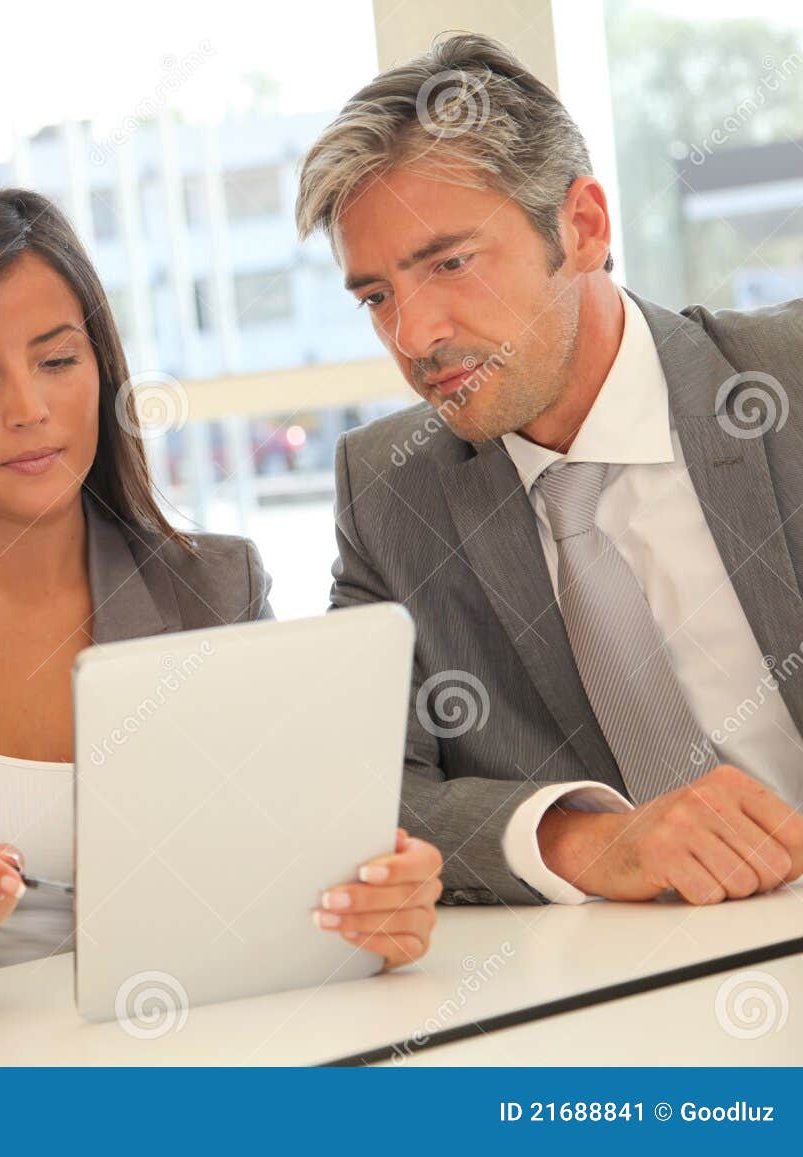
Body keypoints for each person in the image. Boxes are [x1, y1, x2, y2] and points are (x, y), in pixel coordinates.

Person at [0, 183, 444, 996]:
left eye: (58, 361)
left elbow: (286, 872)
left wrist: (371, 911)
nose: (29, 408)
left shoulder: (216, 591)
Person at [294, 33, 803, 906]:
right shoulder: (390, 492)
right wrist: (582, 838)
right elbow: (358, 793)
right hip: (619, 971)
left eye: (450, 263)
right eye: (377, 296)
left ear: (584, 228)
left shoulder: (784, 381)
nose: (414, 336)